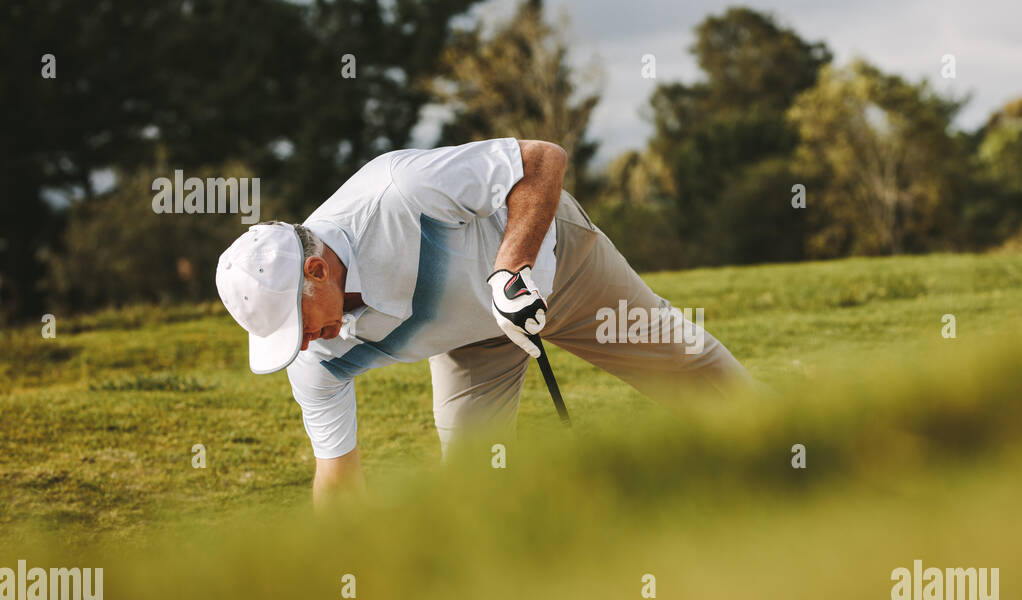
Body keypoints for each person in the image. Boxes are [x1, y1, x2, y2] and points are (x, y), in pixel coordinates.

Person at [214, 138, 752, 502]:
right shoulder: (312, 359)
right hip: (473, 338)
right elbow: (336, 476)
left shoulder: (398, 191)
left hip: (555, 265)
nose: (304, 342)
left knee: (684, 366)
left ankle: (796, 457)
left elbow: (543, 159)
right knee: (475, 490)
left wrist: (510, 271)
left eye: (298, 322)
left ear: (316, 269)